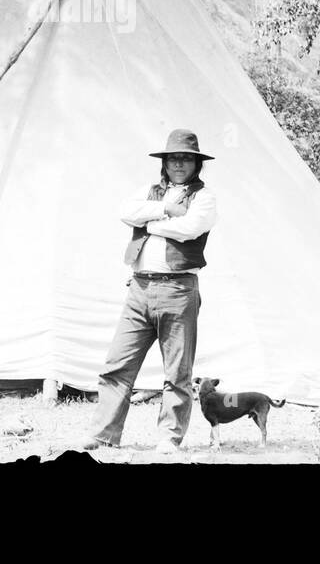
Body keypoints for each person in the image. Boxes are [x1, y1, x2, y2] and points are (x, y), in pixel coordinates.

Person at [80, 128, 218, 453]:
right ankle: (102, 434)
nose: (179, 164)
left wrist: (150, 224)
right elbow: (126, 212)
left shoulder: (204, 197)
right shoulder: (149, 191)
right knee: (118, 364)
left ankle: (169, 438)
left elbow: (191, 229)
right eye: (173, 158)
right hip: (139, 288)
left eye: (186, 159)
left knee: (177, 371)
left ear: (196, 164)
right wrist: (166, 210)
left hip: (178, 289)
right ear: (165, 162)